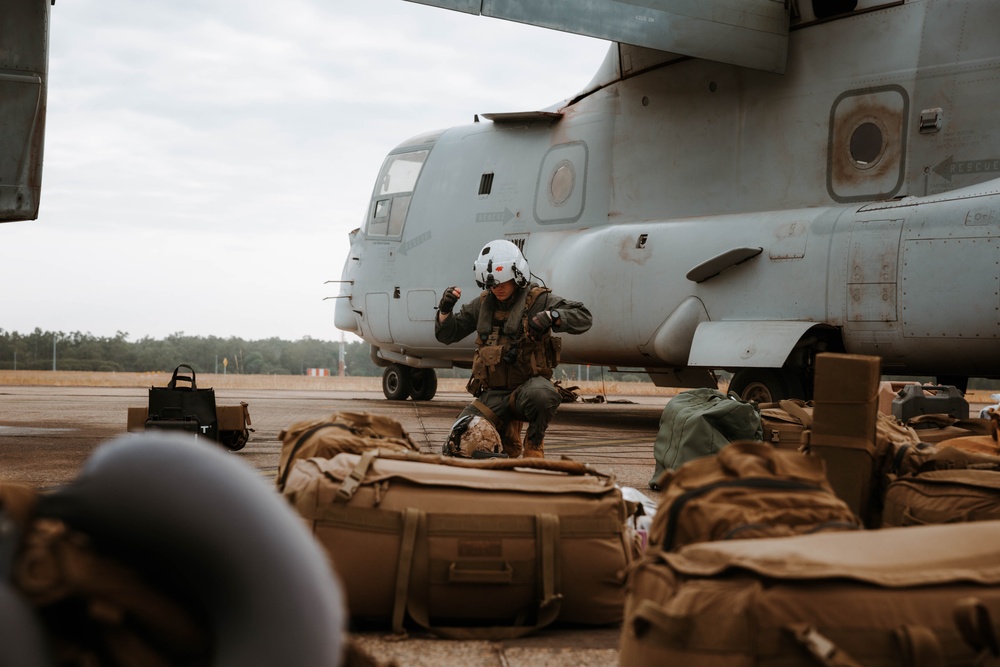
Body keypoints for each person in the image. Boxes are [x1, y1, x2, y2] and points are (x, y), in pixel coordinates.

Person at [436, 239, 592, 458]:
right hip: (493, 395)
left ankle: (534, 443)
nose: (496, 288)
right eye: (491, 284)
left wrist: (552, 316)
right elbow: (447, 334)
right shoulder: (483, 304)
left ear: (517, 275)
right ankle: (508, 435)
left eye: (501, 282)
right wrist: (445, 309)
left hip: (526, 391)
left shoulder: (538, 300)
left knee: (543, 395)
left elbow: (584, 317)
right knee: (460, 442)